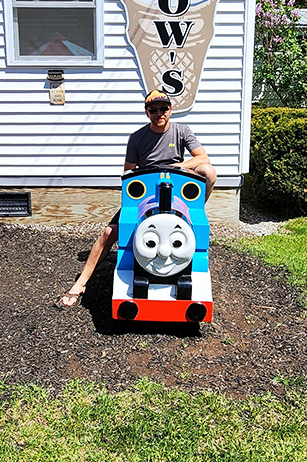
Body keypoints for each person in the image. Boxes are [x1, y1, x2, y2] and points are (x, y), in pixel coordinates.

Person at [57, 89, 216, 308]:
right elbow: (129, 173)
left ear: (170, 110)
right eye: (153, 110)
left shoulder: (182, 131)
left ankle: (195, 214)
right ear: (147, 112)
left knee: (209, 171)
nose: (159, 113)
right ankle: (81, 283)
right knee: (109, 233)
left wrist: (177, 167)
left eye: (163, 109)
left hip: (176, 190)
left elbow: (202, 157)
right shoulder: (137, 138)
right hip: (146, 193)